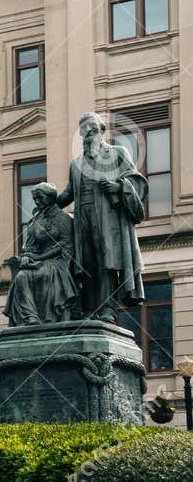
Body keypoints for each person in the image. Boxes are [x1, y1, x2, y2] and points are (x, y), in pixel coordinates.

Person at [55, 111, 147, 323]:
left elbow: (136, 182)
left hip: (108, 219)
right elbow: (69, 193)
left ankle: (107, 310)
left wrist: (118, 187)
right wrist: (49, 204)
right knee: (86, 263)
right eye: (85, 133)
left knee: (107, 262)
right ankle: (89, 309)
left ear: (102, 131)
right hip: (83, 218)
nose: (89, 136)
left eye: (93, 131)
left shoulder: (117, 153)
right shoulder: (76, 164)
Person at [4, 182, 80, 326]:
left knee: (44, 275)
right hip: (38, 261)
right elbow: (29, 245)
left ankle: (50, 318)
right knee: (21, 277)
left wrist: (40, 258)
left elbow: (65, 245)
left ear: (51, 197)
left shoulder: (63, 218)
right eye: (35, 199)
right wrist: (27, 256)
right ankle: (31, 318)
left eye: (40, 198)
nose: (37, 201)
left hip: (57, 262)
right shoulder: (35, 220)